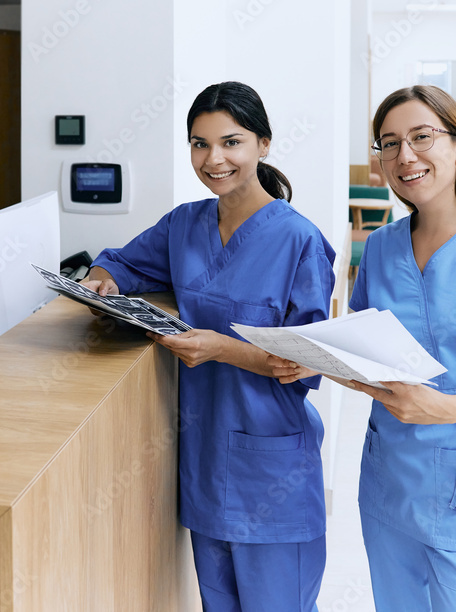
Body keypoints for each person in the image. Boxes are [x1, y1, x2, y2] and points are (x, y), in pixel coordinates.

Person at [274, 85, 456, 611]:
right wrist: (313, 357)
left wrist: (443, 408)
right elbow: (370, 360)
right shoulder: (382, 246)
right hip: (391, 488)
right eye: (389, 144)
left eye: (421, 137)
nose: (405, 155)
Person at [82, 82, 334, 611]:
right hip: (203, 466)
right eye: (199, 144)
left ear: (263, 145)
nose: (213, 159)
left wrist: (221, 348)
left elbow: (309, 363)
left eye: (231, 142)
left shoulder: (299, 242)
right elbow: (122, 261)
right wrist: (99, 280)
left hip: (272, 473)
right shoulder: (184, 224)